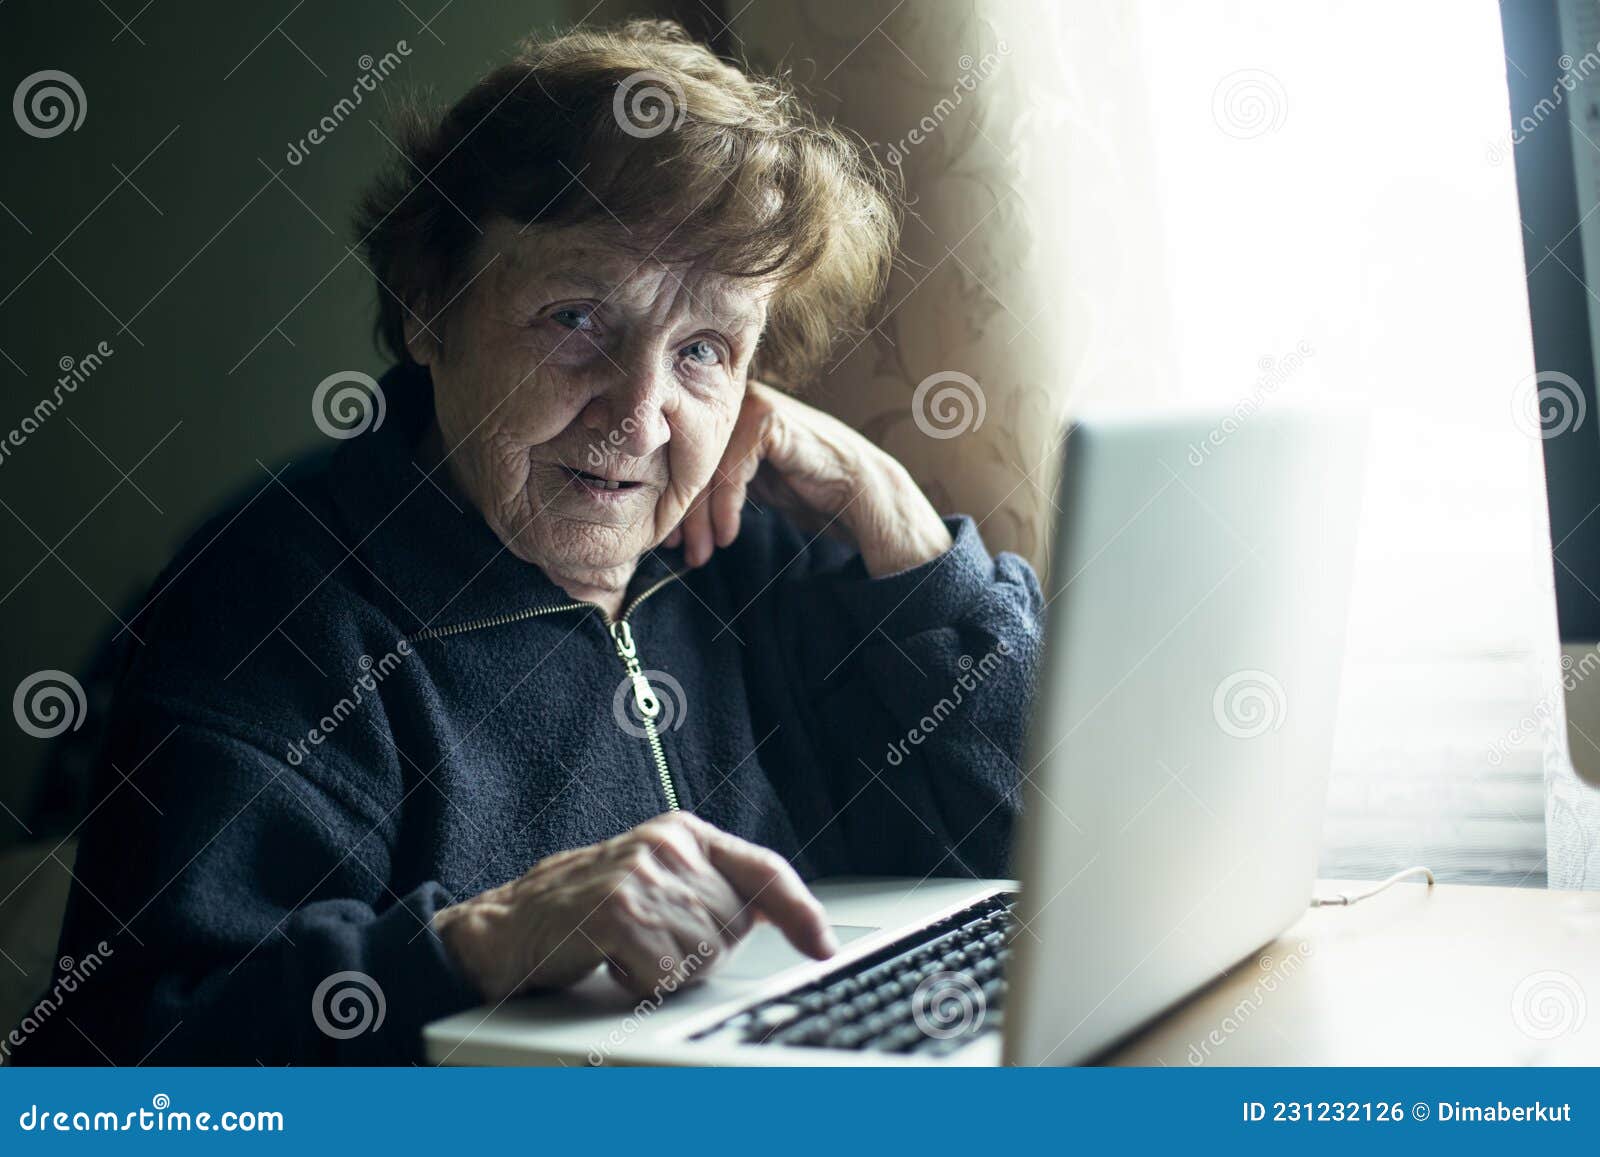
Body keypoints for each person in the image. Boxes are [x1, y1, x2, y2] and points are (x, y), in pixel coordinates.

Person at [10, 20, 1041, 1065]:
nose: (640, 416)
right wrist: (474, 943)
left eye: (703, 350)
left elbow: (1057, 868)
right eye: (577, 317)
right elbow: (116, 1065)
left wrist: (908, 541)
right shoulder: (269, 605)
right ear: (428, 306)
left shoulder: (769, 545)